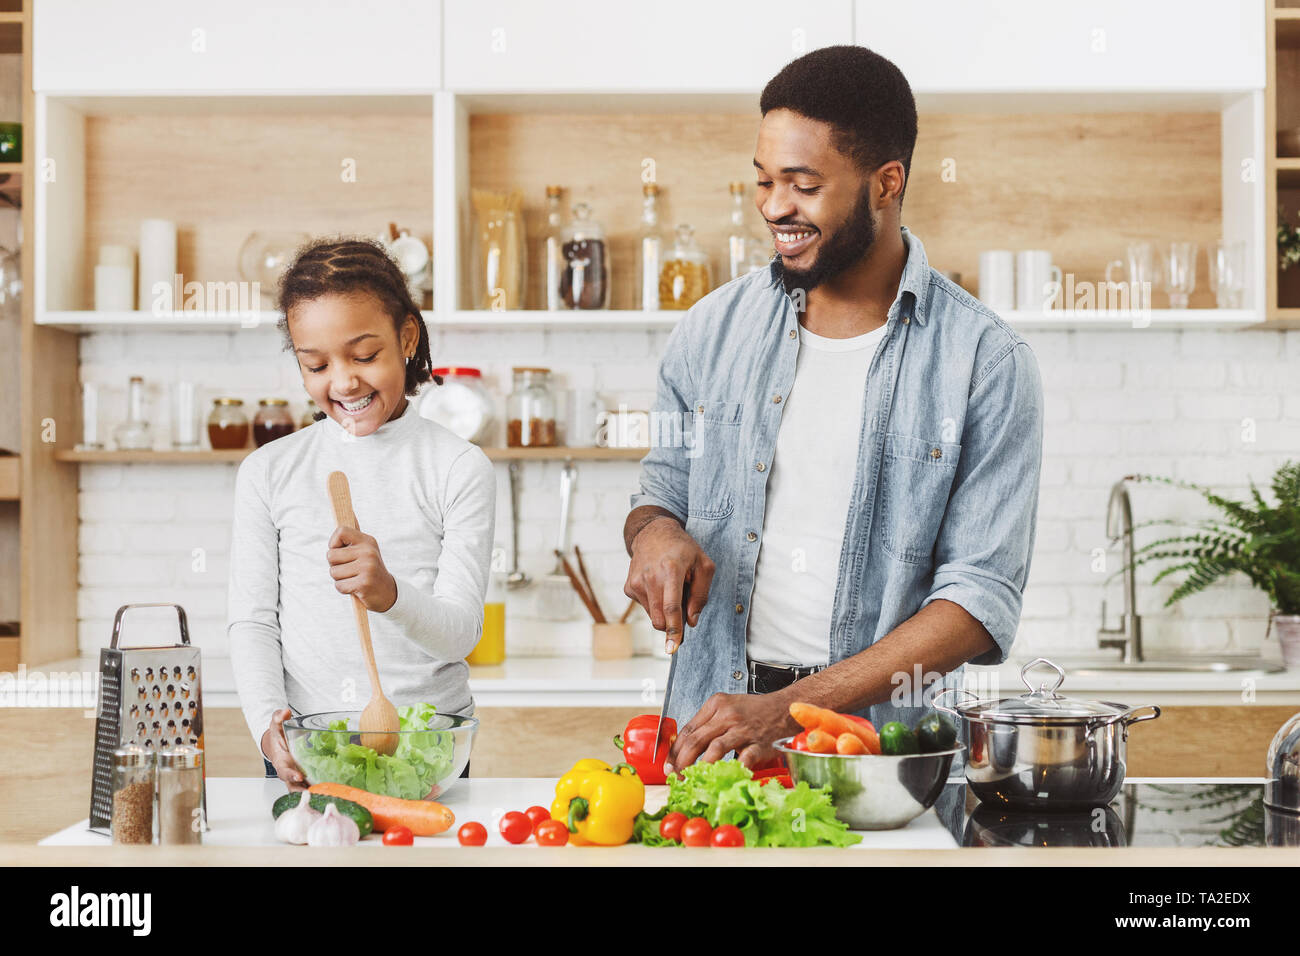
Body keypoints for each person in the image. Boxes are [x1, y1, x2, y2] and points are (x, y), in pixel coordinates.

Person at [623, 45, 1043, 773]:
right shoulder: (710, 329)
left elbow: (978, 600)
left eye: (803, 185)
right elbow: (659, 491)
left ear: (886, 184)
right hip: (712, 730)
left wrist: (792, 708)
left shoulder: (986, 363)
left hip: (882, 754)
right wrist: (655, 535)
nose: (774, 207)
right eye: (763, 181)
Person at [228, 237, 496, 787]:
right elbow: (254, 621)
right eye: (316, 364)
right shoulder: (269, 471)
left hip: (429, 746)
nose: (344, 381)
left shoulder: (458, 467)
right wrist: (265, 724)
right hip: (308, 745)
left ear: (406, 337)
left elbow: (461, 634)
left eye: (364, 355)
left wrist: (388, 595)